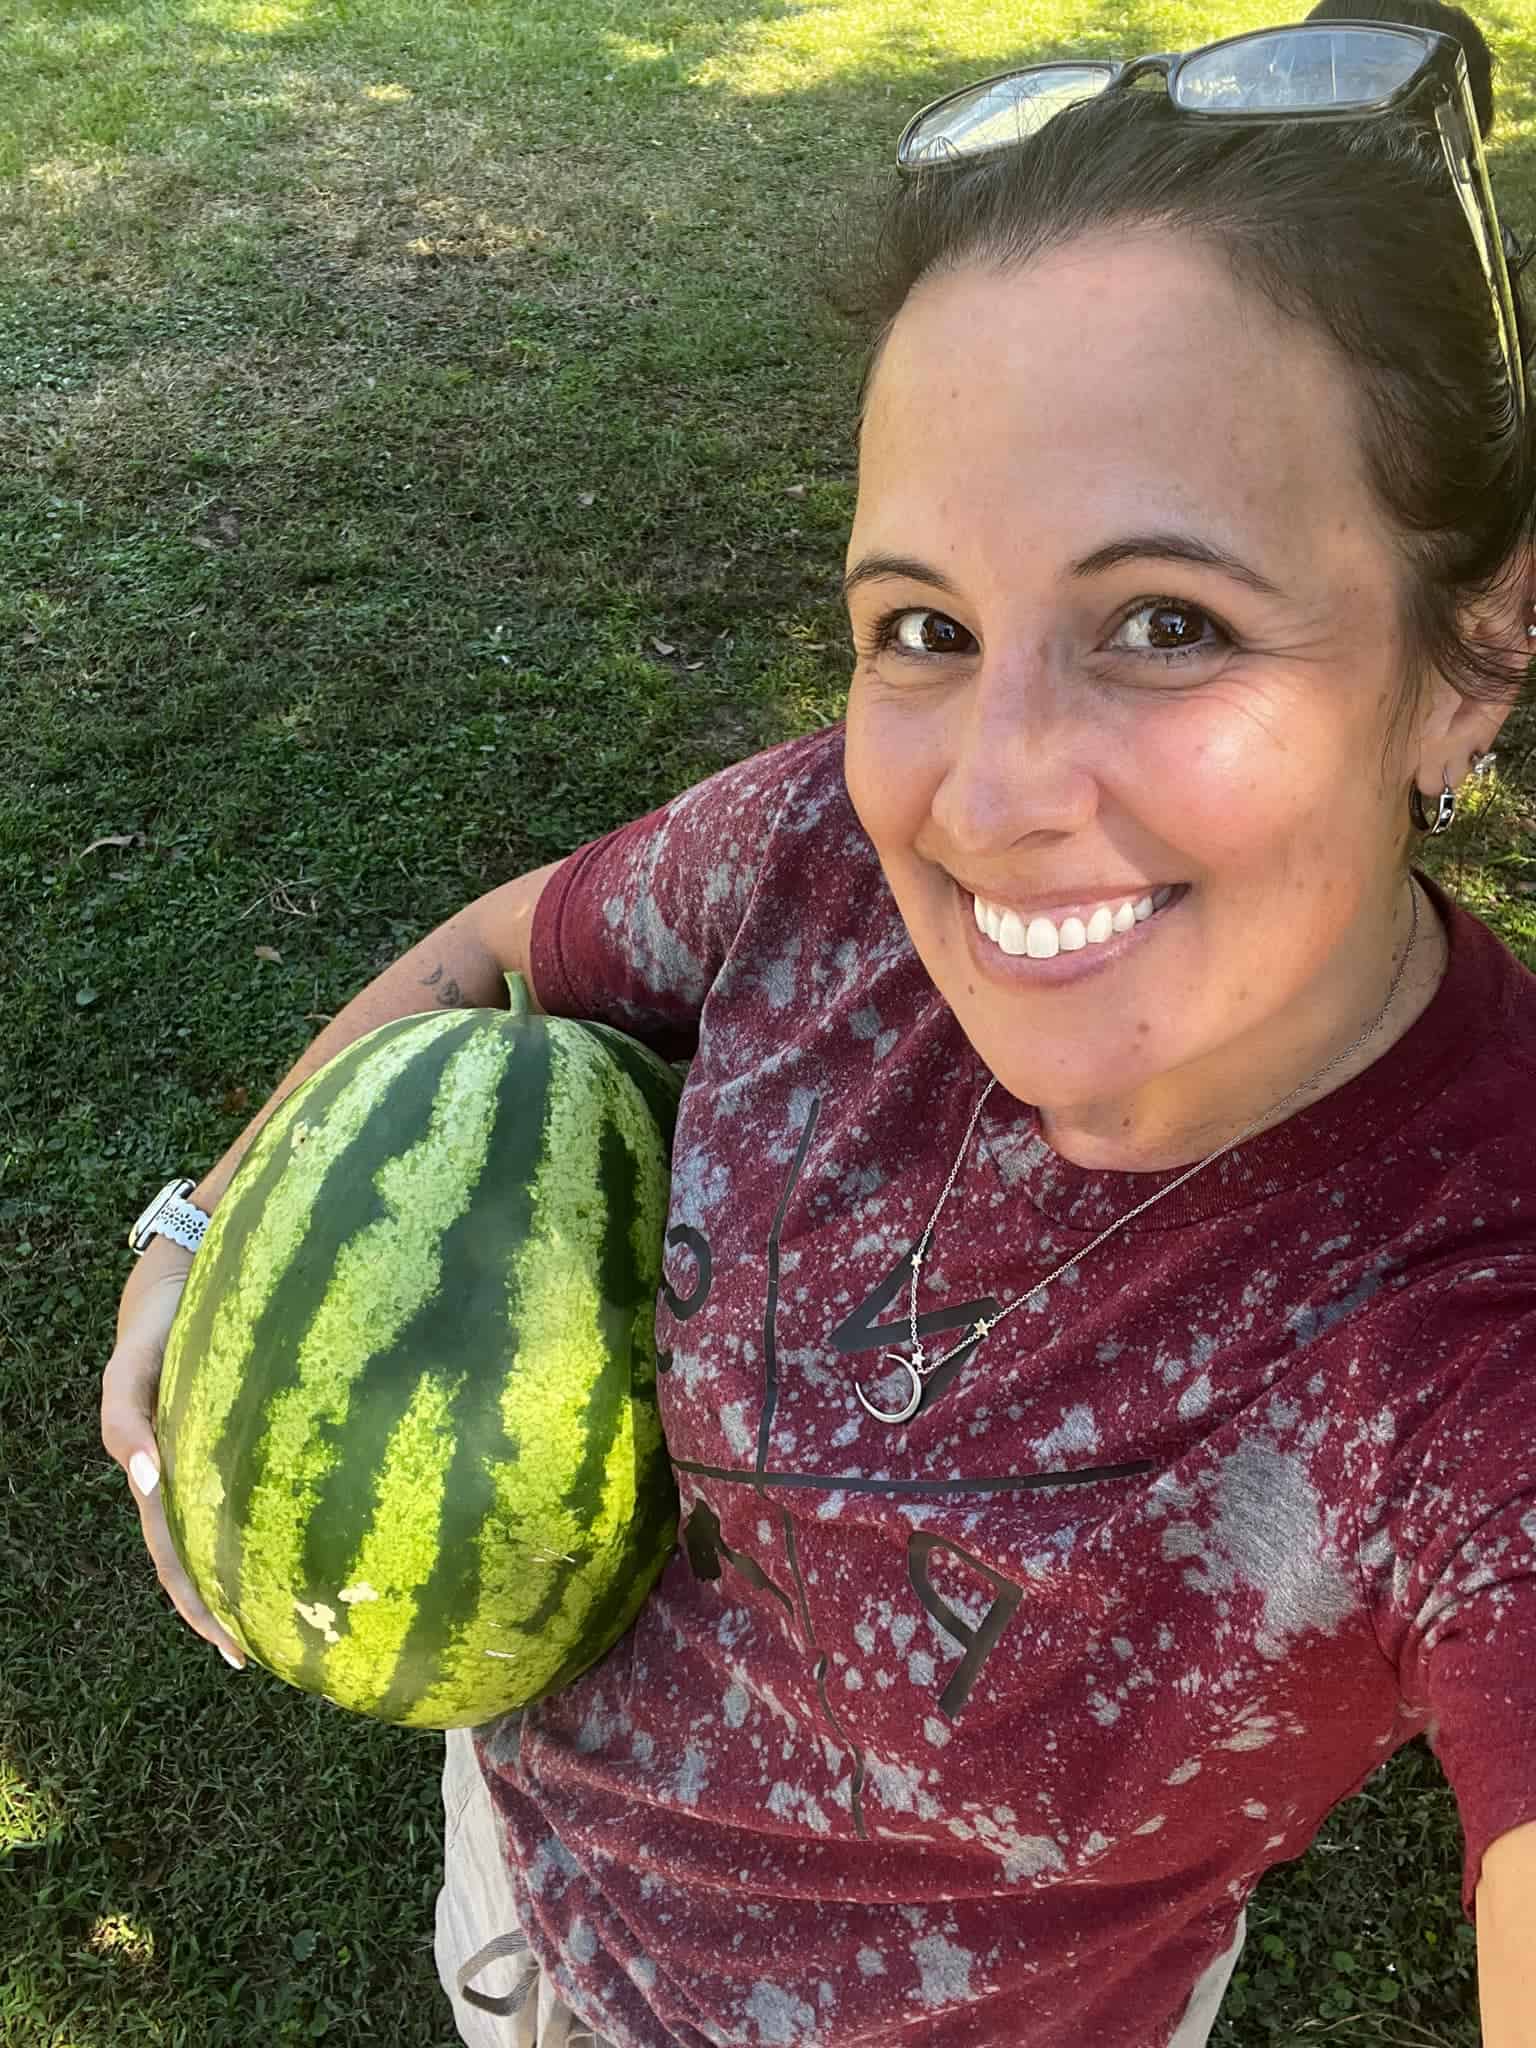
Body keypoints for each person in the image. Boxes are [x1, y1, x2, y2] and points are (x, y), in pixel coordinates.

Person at [102, 12, 1536, 2045]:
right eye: (924, 629)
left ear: (1475, 654)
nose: (989, 791)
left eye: (1168, 622)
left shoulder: (1476, 1322)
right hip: (528, 1900)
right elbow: (495, 954)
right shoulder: (810, 858)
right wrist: (201, 1230)